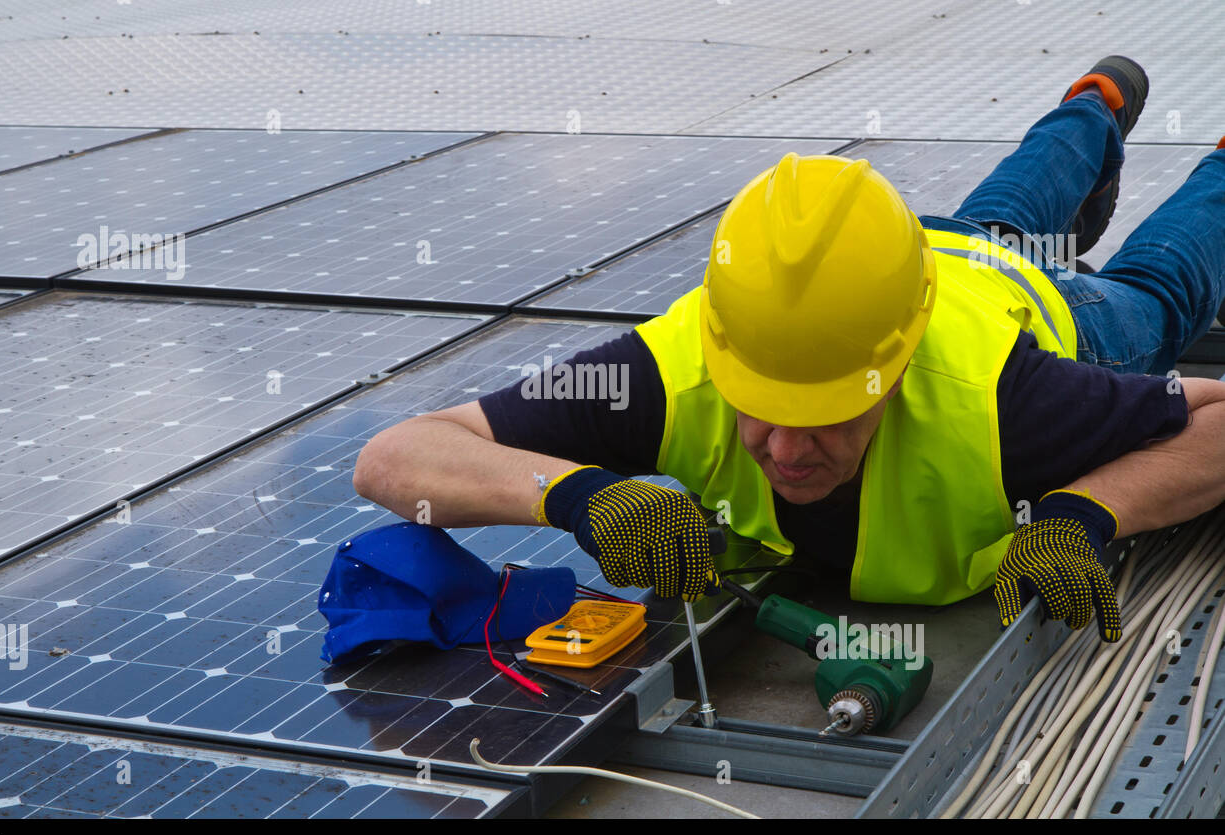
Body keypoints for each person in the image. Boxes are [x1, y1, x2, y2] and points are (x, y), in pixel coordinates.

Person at [353, 56, 1225, 645]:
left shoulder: (1009, 400)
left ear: (894, 376)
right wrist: (575, 496)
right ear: (723, 356)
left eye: (831, 413)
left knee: (1159, 286)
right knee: (995, 216)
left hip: (1041, 306)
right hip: (923, 256)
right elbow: (394, 457)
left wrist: (1088, 511)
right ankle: (1094, 107)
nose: (789, 449)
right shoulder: (667, 371)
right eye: (762, 409)